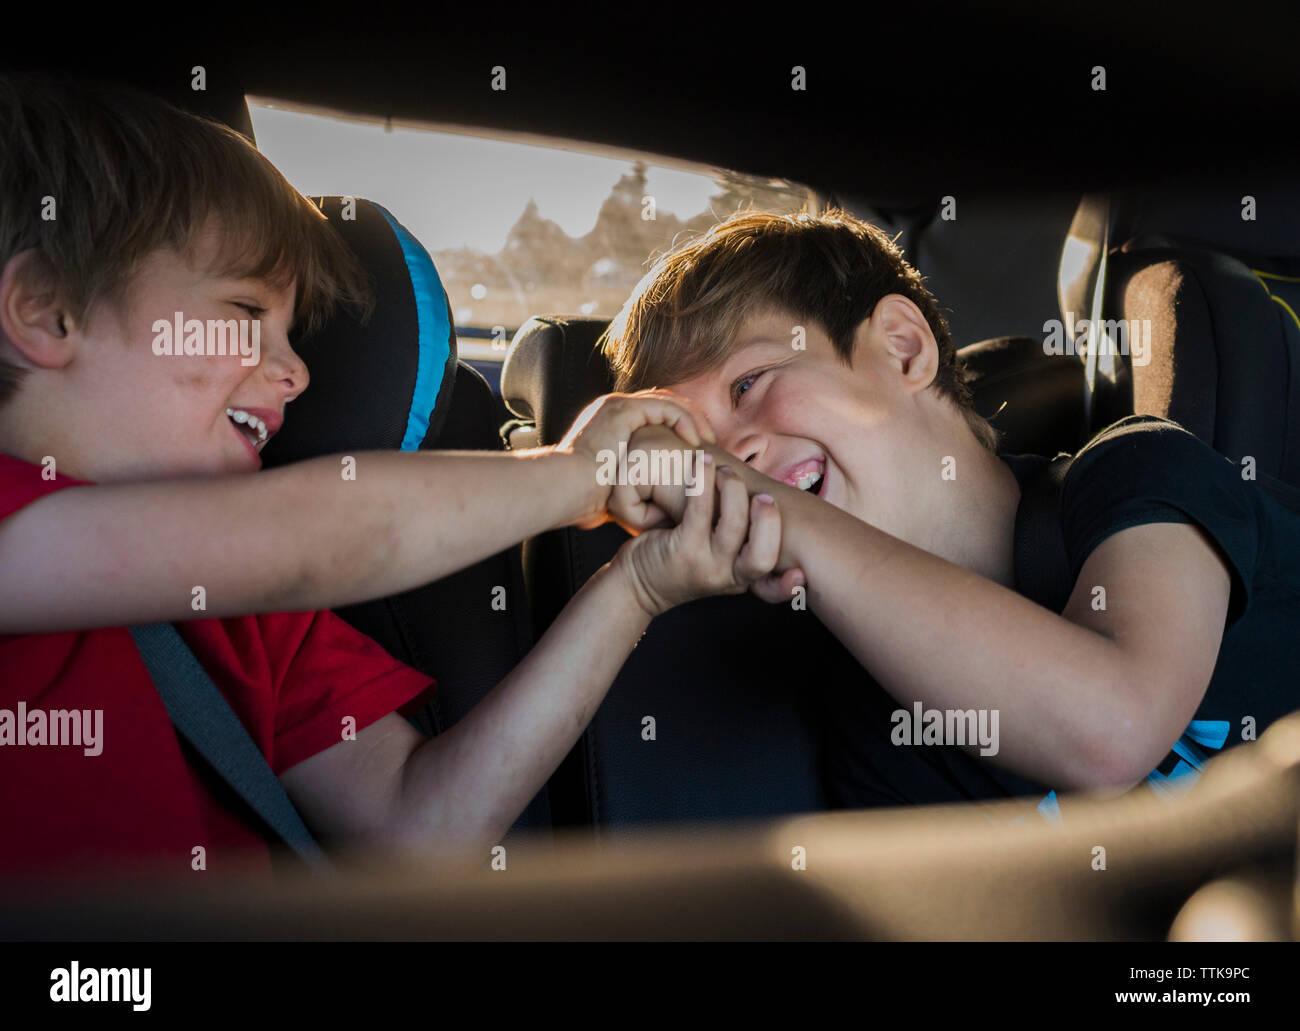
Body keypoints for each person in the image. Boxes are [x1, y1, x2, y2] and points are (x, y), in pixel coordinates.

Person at [0, 73, 793, 881]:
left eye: (294, 331)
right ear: (47, 309)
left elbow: (424, 828)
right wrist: (578, 476)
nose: (298, 372)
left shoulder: (258, 617)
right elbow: (312, 536)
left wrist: (637, 589)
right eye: (245, 314)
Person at [602, 207, 1300, 811]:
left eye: (750, 382)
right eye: (700, 451)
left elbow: (1114, 726)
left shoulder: (1140, 473)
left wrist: (798, 524)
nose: (731, 458)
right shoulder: (882, 725)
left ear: (903, 349)